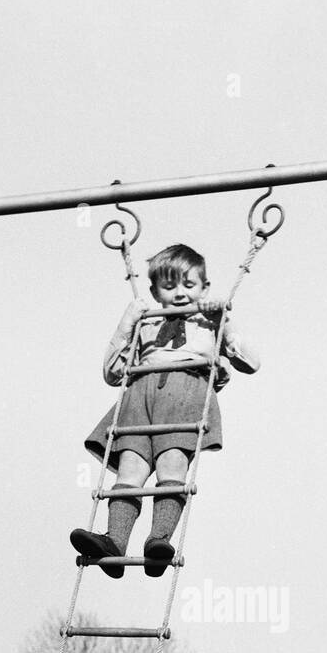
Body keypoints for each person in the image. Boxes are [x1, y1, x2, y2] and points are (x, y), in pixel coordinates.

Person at [71, 244, 259, 578]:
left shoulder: (208, 322)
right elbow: (112, 373)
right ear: (156, 291)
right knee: (130, 472)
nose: (180, 293)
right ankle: (114, 540)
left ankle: (159, 540)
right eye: (169, 287)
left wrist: (224, 321)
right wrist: (126, 322)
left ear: (204, 287)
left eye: (189, 285)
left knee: (172, 464)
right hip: (140, 399)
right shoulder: (146, 323)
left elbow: (251, 363)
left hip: (186, 396)